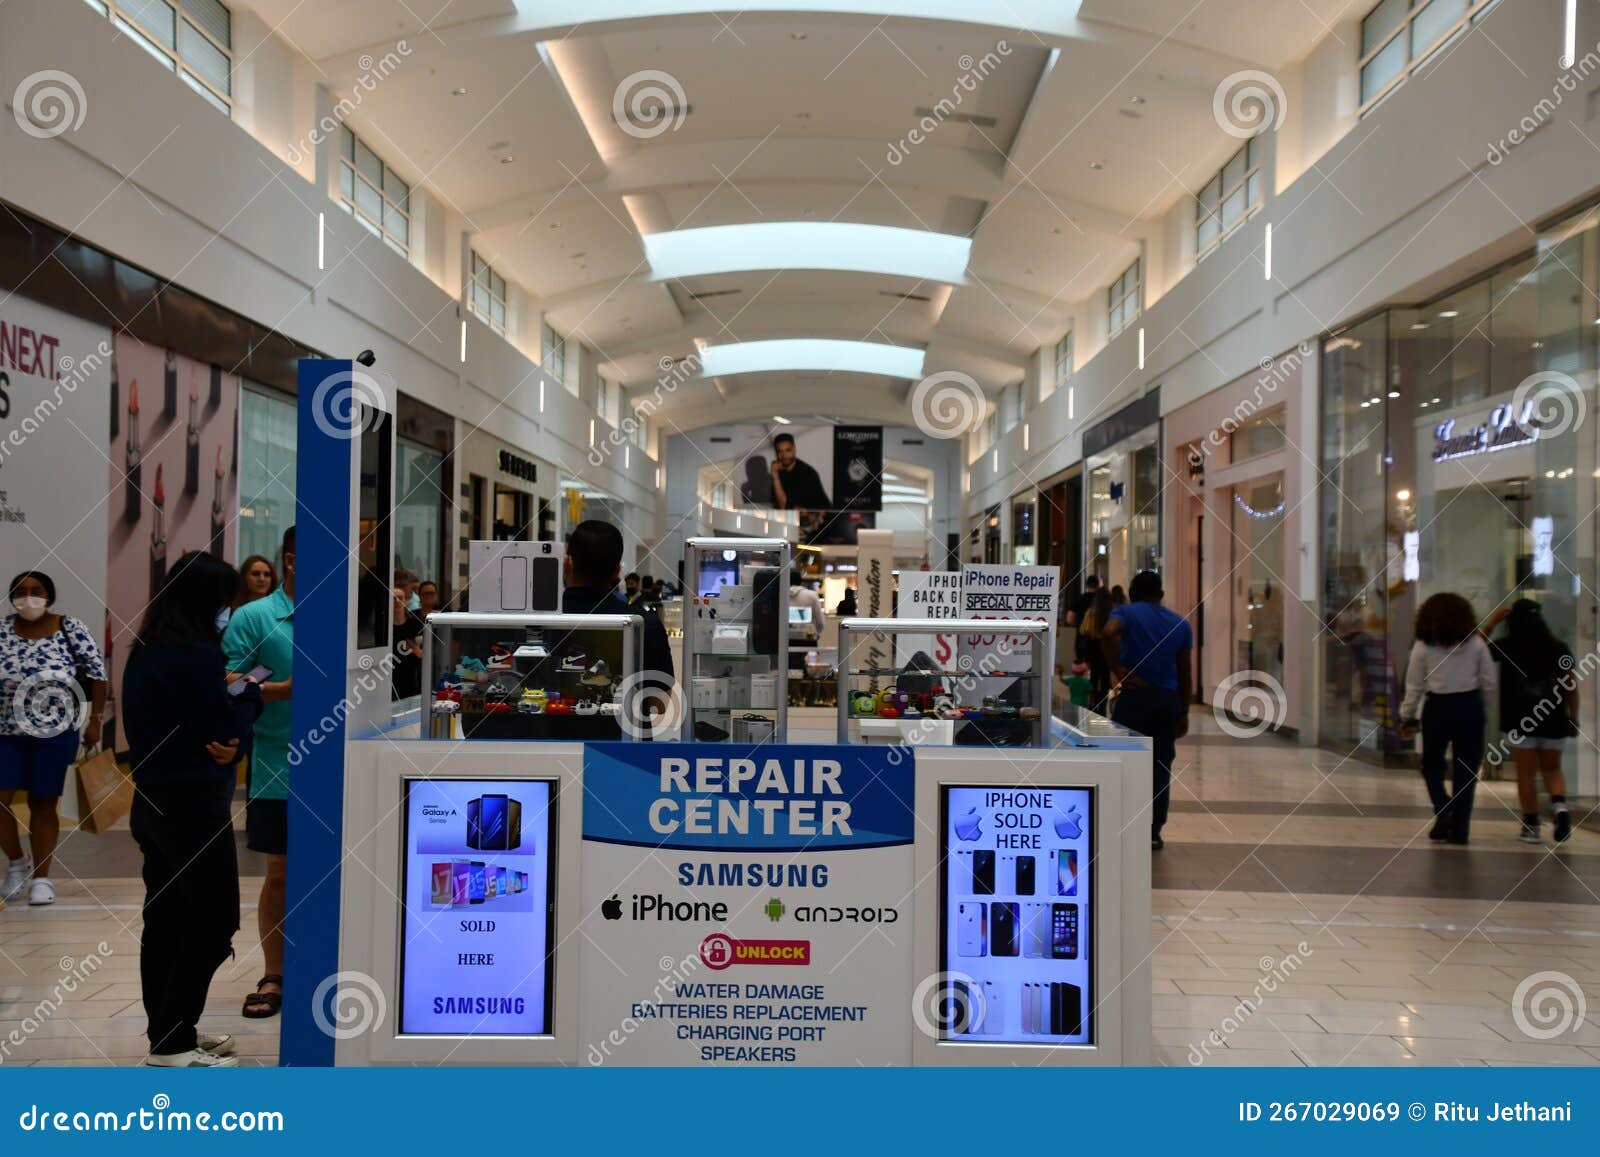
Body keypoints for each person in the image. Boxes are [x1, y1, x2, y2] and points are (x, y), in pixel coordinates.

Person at [122, 551, 262, 1067]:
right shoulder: (199, 656)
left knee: (165, 918)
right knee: (212, 917)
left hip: (152, 803)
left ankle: (168, 1035)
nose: (227, 611)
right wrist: (247, 695)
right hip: (193, 807)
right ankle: (174, 1041)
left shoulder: (147, 648)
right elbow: (221, 732)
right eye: (224, 602)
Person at [222, 525, 296, 1018]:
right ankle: (275, 973)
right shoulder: (256, 617)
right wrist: (280, 689)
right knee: (280, 872)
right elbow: (226, 682)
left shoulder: (358, 614)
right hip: (278, 764)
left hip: (351, 761)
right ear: (291, 560)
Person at [0, 572, 109, 906]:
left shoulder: (69, 627)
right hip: (5, 730)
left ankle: (42, 878)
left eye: (36, 591)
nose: (28, 597)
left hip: (54, 730)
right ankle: (17, 863)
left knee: (43, 802)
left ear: (49, 596)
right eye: (20, 592)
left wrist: (95, 720)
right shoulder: (3, 628)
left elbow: (95, 673)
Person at [1101, 571, 1192, 851]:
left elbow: (1107, 633)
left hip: (1134, 698)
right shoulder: (1181, 624)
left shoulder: (1125, 613)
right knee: (1161, 765)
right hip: (1166, 701)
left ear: (1131, 592)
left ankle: (1122, 822)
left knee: (1123, 761)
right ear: (1161, 594)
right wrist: (1184, 712)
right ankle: (1154, 830)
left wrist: (1118, 670)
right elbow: (1185, 672)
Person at [1398, 592, 1493, 845]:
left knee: (1431, 765)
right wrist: (1483, 708)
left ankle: (1443, 807)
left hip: (1438, 707)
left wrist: (1407, 715)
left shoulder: (1422, 645)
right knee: (1466, 770)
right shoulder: (1476, 644)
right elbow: (1489, 681)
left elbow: (1414, 685)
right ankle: (1460, 830)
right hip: (1470, 706)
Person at [1485, 599, 1575, 844]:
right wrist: (1573, 717)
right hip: (1554, 717)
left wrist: (1492, 622)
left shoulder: (1507, 646)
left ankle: (1531, 826)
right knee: (1552, 769)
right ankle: (1559, 807)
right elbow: (1571, 685)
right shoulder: (1558, 647)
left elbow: (1476, 649)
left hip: (1519, 720)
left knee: (1526, 773)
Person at [562, 520, 674, 685]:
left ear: (567, 563)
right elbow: (659, 700)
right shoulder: (645, 624)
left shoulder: (531, 622)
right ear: (617, 572)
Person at [769, 432, 830, 510]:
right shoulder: (777, 471)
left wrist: (775, 475)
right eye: (780, 451)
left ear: (794, 450)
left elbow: (784, 506)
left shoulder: (807, 474)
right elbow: (776, 505)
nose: (784, 455)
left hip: (820, 518)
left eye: (788, 450)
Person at [1080, 587, 1114, 707]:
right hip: (1107, 647)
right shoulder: (1112, 612)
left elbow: (1083, 631)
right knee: (1105, 676)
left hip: (1093, 646)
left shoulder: (1090, 613)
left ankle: (1093, 702)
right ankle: (1103, 703)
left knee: (1094, 675)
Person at [391, 585, 424, 700]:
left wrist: (415, 650)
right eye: (393, 598)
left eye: (400, 598)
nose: (397, 602)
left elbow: (423, 654)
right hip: (390, 675)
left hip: (411, 675)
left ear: (405, 601)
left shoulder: (415, 624)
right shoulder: (384, 626)